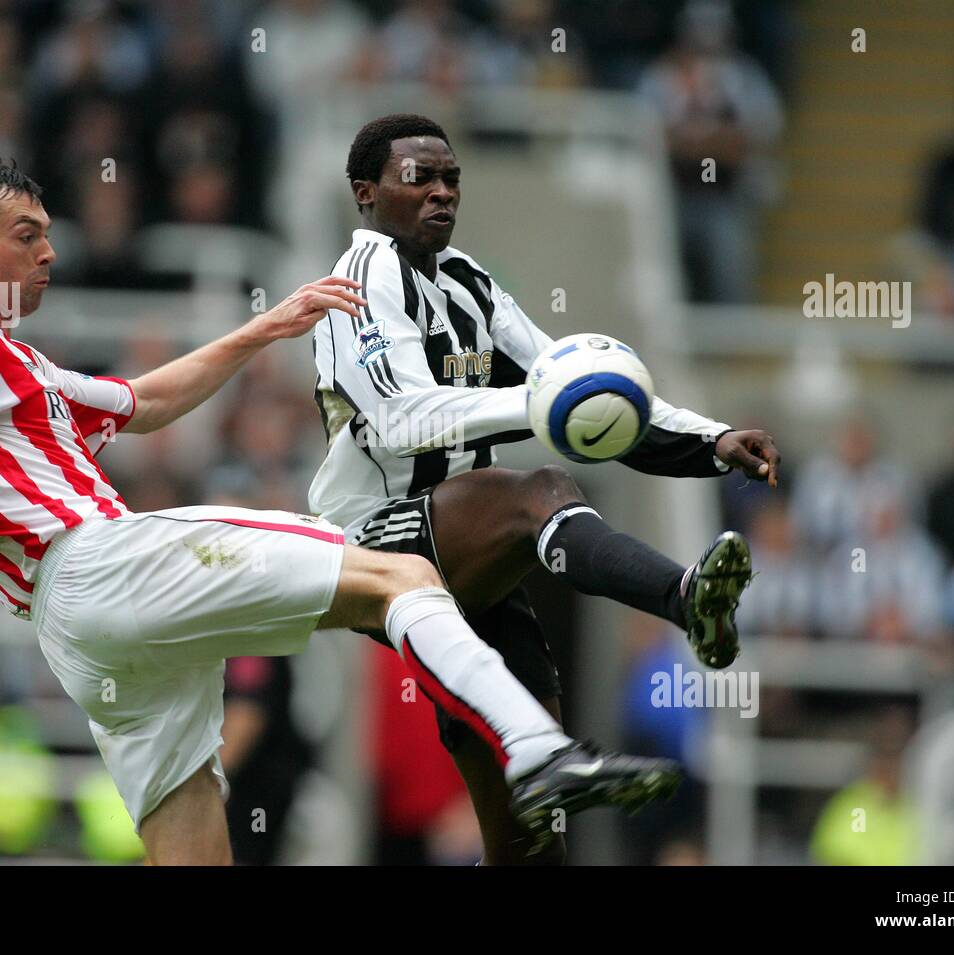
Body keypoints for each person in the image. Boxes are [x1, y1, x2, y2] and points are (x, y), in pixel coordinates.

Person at [0, 147, 682, 865]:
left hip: (81, 637)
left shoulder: (10, 363)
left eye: (47, 231)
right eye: (26, 236)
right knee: (403, 573)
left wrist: (264, 329)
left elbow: (141, 401)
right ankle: (538, 753)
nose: (50, 252)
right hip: (100, 564)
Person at [310, 114, 780, 864]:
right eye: (418, 178)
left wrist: (711, 439)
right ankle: (682, 597)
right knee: (542, 488)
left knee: (530, 833)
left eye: (451, 178)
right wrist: (542, 403)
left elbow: (579, 387)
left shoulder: (468, 282)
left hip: (462, 552)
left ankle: (545, 773)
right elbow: (399, 420)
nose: (441, 193)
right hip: (375, 538)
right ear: (366, 193)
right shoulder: (359, 279)